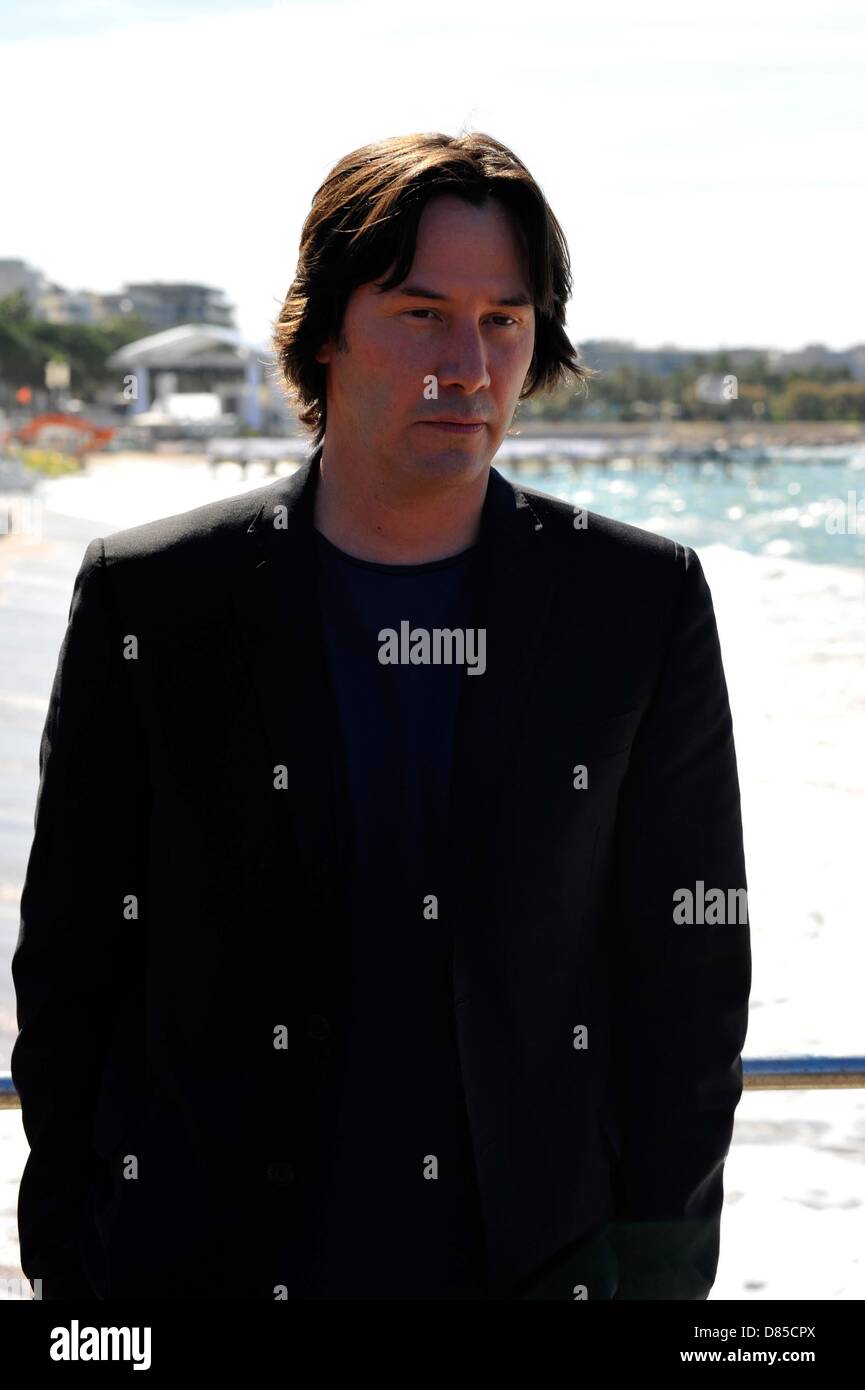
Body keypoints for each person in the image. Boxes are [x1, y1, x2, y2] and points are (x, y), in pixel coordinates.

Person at [11, 130, 751, 1301]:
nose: (468, 363)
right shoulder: (152, 597)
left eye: (504, 320)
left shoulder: (637, 602)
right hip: (197, 1271)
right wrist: (70, 1267)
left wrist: (656, 1276)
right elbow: (71, 965)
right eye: (420, 313)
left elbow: (688, 972)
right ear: (323, 330)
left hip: (532, 1268)